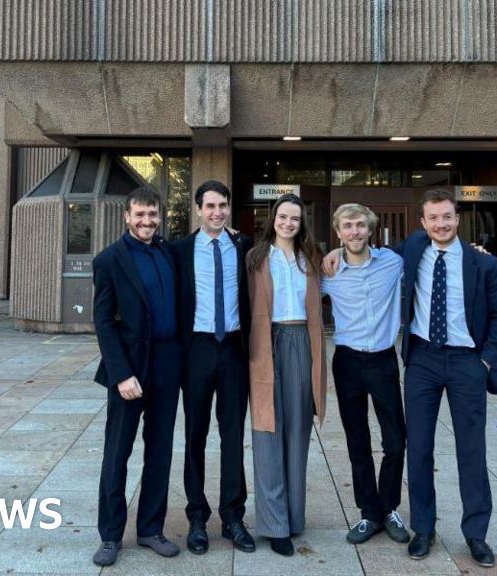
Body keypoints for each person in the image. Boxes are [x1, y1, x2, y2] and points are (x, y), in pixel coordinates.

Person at [397, 188, 497, 567]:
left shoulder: (485, 264)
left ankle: (476, 534)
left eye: (447, 216)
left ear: (457, 218)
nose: (441, 224)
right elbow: (367, 251)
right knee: (420, 448)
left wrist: (485, 362)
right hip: (423, 359)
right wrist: (334, 254)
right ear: (423, 222)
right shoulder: (413, 250)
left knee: (471, 451)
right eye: (433, 218)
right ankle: (424, 530)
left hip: (467, 363)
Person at [91, 187, 183, 567]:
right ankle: (110, 535)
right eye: (140, 215)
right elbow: (103, 321)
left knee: (159, 451)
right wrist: (121, 374)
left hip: (168, 365)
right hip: (130, 369)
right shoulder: (109, 260)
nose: (147, 221)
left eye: (153, 214)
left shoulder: (168, 253)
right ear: (127, 217)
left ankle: (150, 528)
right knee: (118, 453)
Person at [168, 180, 256, 555]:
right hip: (198, 350)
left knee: (234, 435)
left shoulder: (245, 246)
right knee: (195, 437)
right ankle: (197, 517)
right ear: (199, 209)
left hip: (234, 348)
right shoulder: (179, 251)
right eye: (210, 206)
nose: (217, 212)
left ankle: (233, 516)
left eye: (223, 205)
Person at [320, 203, 410, 546]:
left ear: (370, 229)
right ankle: (369, 513)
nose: (354, 231)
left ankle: (388, 508)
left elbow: (422, 248)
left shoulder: (392, 262)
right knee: (358, 442)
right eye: (347, 226)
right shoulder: (329, 271)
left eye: (360, 225)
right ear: (338, 232)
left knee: (396, 442)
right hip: (347, 363)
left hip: (383, 361)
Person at [245, 193, 327, 557]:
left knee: (297, 429)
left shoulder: (313, 258)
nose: (288, 223)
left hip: (301, 342)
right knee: (267, 430)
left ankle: (294, 518)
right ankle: (274, 524)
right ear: (272, 218)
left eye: (295, 218)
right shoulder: (255, 258)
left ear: (301, 222)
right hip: (266, 342)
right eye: (283, 216)